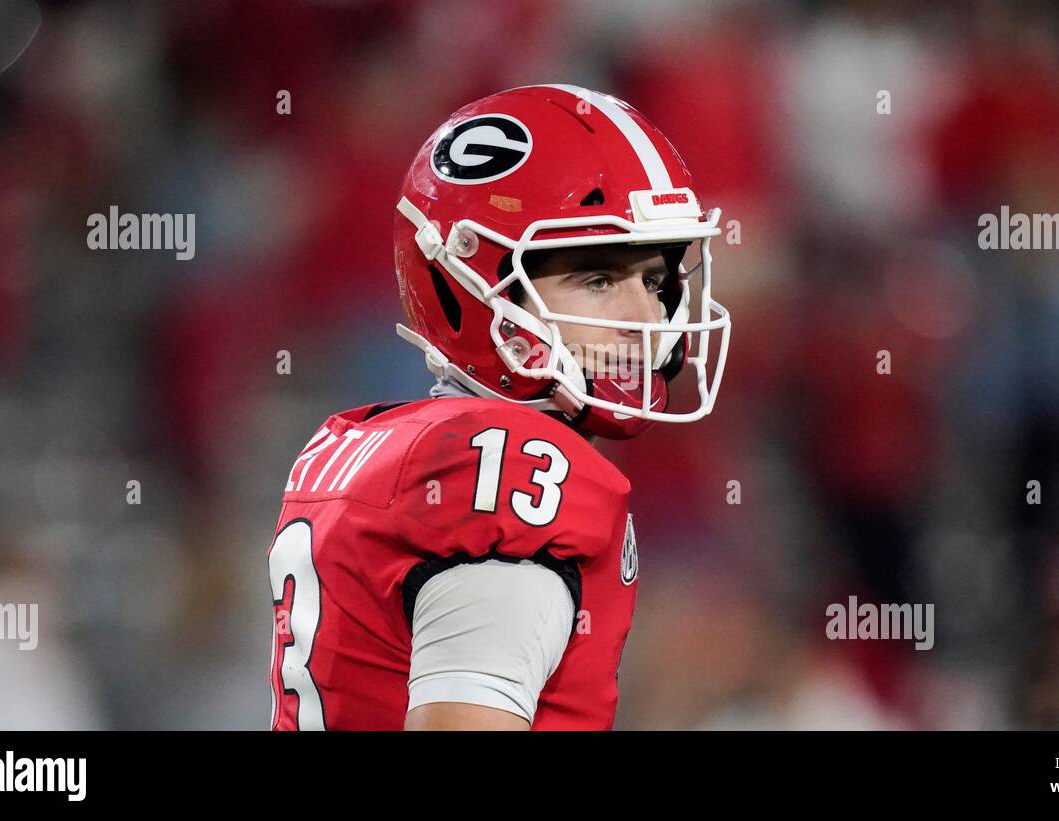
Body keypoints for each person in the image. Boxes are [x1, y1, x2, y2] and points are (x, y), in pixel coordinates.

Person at [267, 84, 731, 730]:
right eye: (598, 280)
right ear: (474, 288)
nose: (646, 317)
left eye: (654, 281)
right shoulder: (512, 479)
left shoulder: (369, 443)